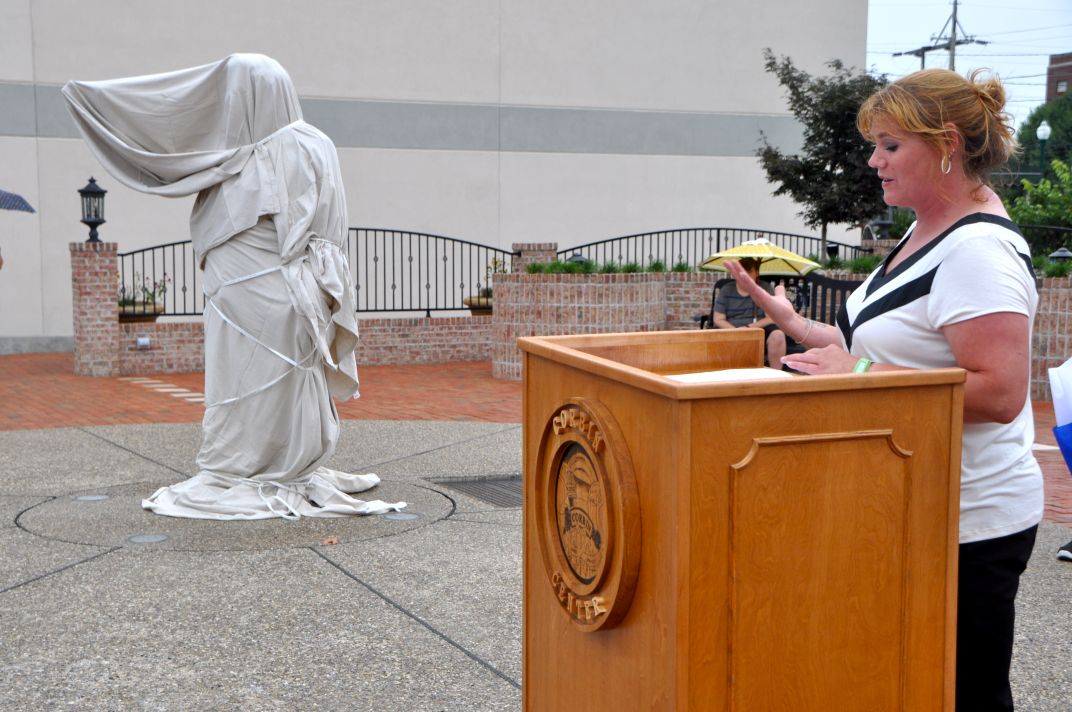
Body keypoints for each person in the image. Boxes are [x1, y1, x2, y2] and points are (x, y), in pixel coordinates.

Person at [727, 68, 1043, 712]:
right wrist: (793, 323)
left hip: (965, 523)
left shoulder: (978, 251)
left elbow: (999, 393)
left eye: (891, 145)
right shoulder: (925, 232)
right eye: (876, 145)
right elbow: (872, 351)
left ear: (947, 144)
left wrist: (859, 376)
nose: (874, 161)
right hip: (907, 507)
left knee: (962, 693)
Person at [63, 54, 404, 520]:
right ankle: (261, 462)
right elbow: (325, 234)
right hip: (253, 300)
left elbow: (320, 233)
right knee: (246, 386)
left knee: (264, 387)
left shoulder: (289, 148)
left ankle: (268, 464)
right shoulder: (243, 156)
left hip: (277, 299)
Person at [711, 257, 792, 366]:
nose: (745, 275)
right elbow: (718, 319)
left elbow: (771, 318)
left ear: (757, 273)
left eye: (749, 272)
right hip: (731, 330)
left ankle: (776, 374)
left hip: (760, 330)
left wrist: (749, 328)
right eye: (741, 271)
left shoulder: (765, 288)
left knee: (778, 335)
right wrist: (736, 332)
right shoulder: (726, 290)